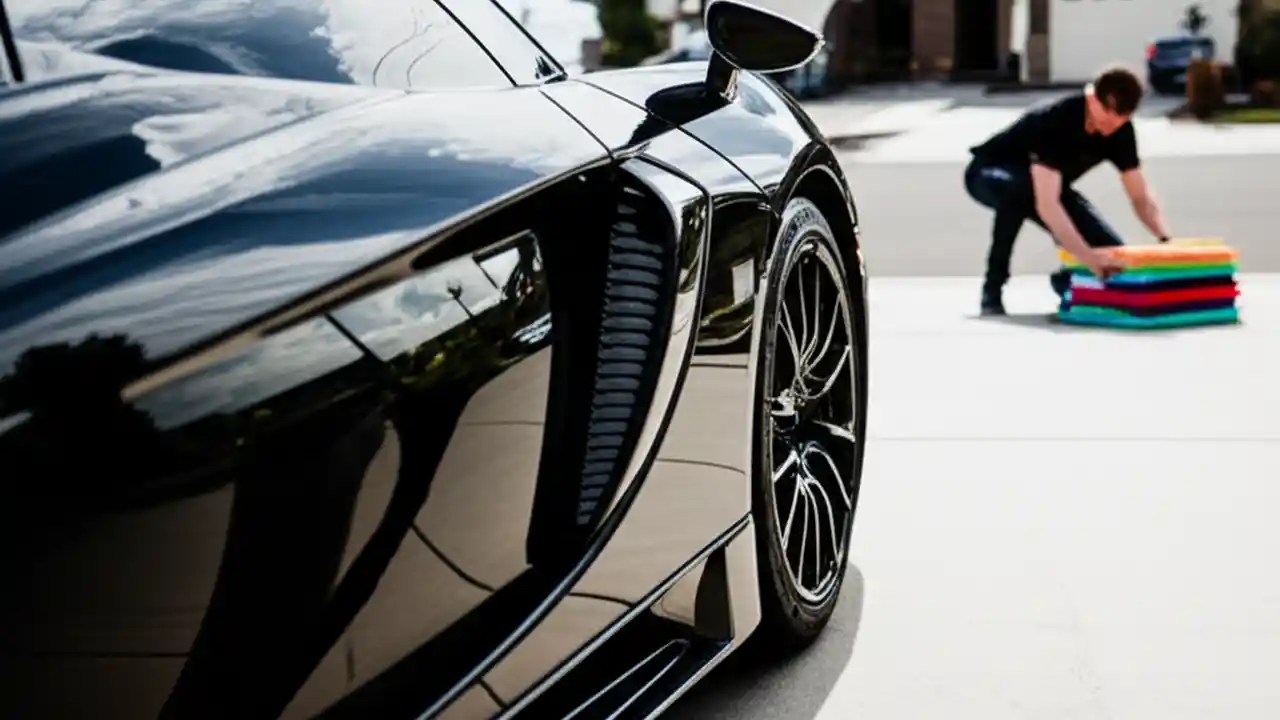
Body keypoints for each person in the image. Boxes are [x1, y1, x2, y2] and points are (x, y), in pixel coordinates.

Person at [964, 65, 1174, 315]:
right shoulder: (1056, 120)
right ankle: (993, 287)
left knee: (1111, 252)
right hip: (989, 173)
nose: (1111, 128)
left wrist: (1164, 238)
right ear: (1092, 99)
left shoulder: (1121, 131)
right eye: (1106, 118)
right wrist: (1086, 257)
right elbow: (1048, 205)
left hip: (1047, 185)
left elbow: (1139, 196)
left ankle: (1070, 281)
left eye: (1120, 122)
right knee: (1020, 193)